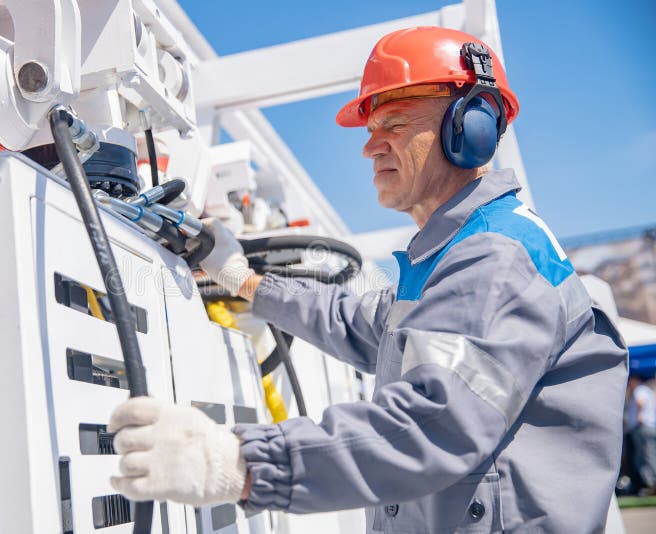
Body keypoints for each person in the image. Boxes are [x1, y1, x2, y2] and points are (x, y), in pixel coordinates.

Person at [107, 27, 628, 532]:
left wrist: (237, 463)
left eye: (395, 125)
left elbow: (435, 423)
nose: (370, 147)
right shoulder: (448, 261)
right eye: (371, 129)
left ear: (471, 128)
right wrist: (241, 277)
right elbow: (352, 321)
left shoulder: (496, 258)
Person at [624, 373, 656, 495]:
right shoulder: (646, 390)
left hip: (642, 427)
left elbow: (640, 402)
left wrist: (638, 417)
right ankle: (650, 484)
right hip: (647, 427)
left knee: (645, 457)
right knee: (647, 456)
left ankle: (651, 484)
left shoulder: (640, 390)